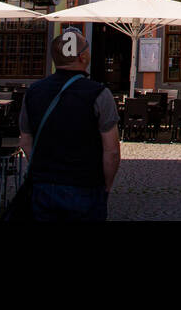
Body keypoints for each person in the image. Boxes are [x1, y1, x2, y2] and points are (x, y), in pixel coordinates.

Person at [19, 30, 121, 220]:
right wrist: (106, 186)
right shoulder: (99, 94)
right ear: (82, 57)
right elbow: (112, 151)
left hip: (42, 186)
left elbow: (25, 141)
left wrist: (43, 168)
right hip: (85, 185)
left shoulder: (33, 92)